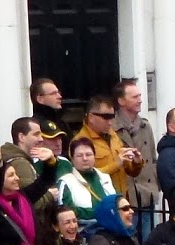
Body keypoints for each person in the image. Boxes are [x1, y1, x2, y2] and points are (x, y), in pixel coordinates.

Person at [112, 78, 159, 234]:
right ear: (121, 101)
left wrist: (155, 187)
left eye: (140, 96)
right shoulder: (111, 128)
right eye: (134, 97)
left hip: (147, 194)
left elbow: (152, 158)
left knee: (147, 241)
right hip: (126, 196)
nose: (140, 100)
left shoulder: (146, 126)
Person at [74, 93, 135, 196]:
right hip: (100, 199)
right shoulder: (80, 142)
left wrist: (136, 162)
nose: (110, 122)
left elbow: (129, 170)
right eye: (106, 117)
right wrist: (116, 164)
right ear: (91, 117)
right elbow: (85, 175)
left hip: (121, 199)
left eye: (112, 117)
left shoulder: (113, 135)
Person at [57, 137, 109, 224]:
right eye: (79, 155)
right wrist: (99, 212)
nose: (85, 158)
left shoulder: (105, 178)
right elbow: (68, 211)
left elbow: (116, 205)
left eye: (88, 154)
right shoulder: (65, 181)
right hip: (82, 230)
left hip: (109, 228)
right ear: (72, 159)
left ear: (94, 156)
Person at [30, 78, 68, 155]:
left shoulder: (62, 123)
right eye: (53, 93)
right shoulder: (35, 125)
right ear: (40, 99)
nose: (59, 96)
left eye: (58, 92)